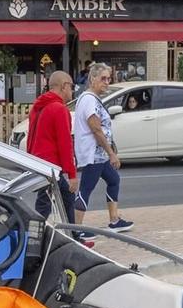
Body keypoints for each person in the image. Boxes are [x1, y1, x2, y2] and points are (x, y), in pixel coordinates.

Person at [73, 63, 132, 231]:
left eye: (109, 78)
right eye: (103, 78)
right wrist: (111, 153)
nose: (107, 82)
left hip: (99, 154)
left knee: (114, 180)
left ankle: (114, 220)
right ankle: (76, 229)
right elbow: (96, 129)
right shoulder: (88, 100)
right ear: (92, 79)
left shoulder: (92, 99)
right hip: (94, 154)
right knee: (85, 189)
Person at [25, 70, 78, 223]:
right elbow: (65, 143)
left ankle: (72, 235)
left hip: (39, 162)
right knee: (45, 204)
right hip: (51, 166)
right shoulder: (60, 109)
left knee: (60, 198)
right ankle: (33, 238)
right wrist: (72, 174)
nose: (72, 90)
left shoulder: (39, 106)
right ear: (64, 86)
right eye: (71, 86)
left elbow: (32, 136)